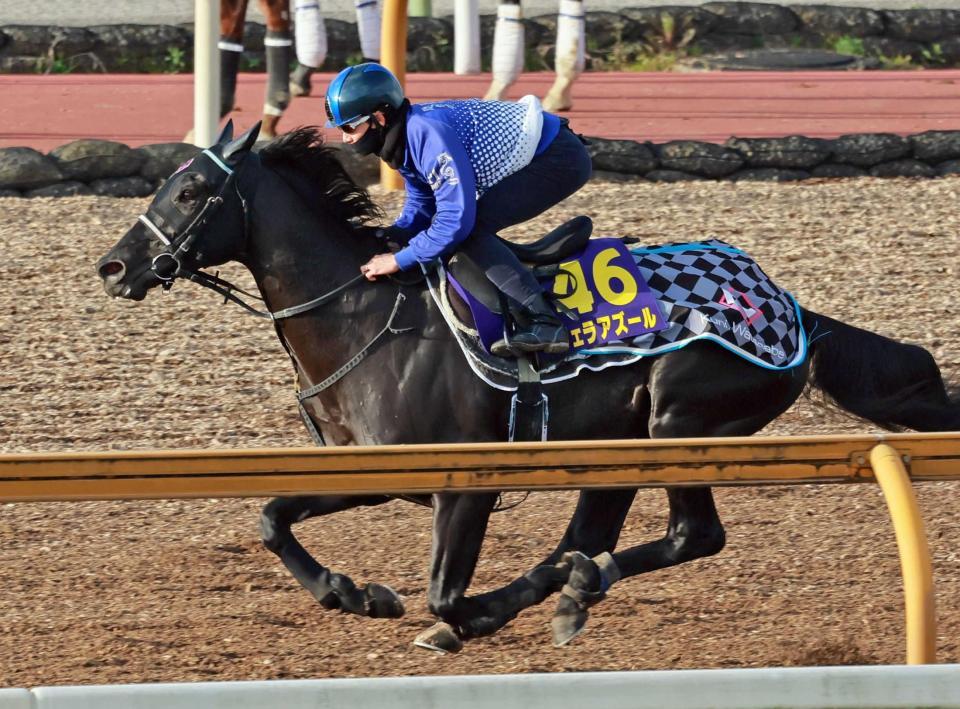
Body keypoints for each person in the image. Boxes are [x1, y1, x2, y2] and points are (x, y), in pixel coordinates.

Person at [324, 62, 593, 355]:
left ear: (378, 117)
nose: (346, 138)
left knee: (470, 231)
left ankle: (545, 321)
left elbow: (456, 221)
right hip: (547, 152)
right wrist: (392, 237)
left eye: (350, 126)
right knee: (458, 232)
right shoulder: (402, 136)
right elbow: (423, 203)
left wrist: (400, 260)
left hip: (559, 159)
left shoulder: (426, 133)